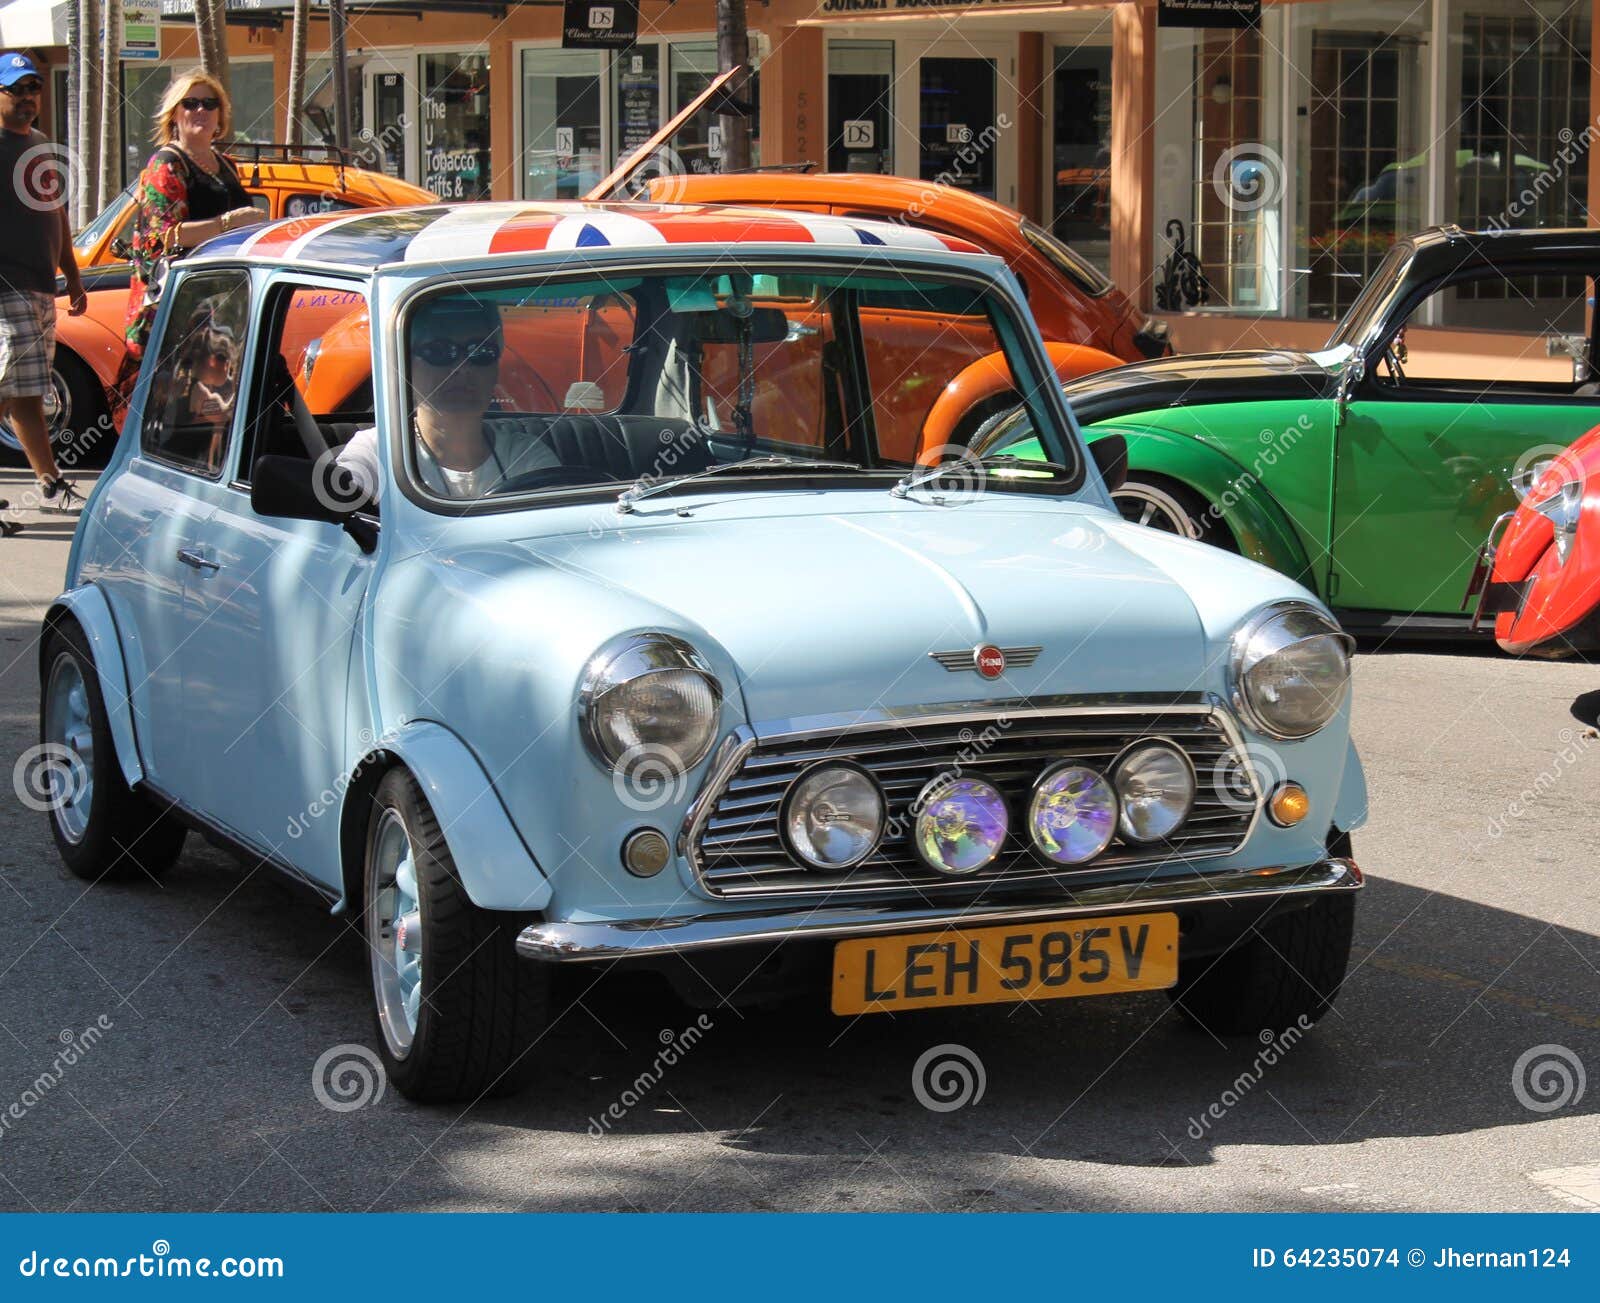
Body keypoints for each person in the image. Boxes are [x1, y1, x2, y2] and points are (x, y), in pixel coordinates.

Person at [336, 297, 559, 503]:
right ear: (405, 365)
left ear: (496, 370)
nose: (462, 368)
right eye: (439, 351)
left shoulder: (526, 456)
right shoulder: (375, 453)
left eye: (480, 352)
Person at [123, 69, 264, 360]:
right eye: (190, 103)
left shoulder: (226, 165)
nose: (201, 110)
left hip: (227, 303)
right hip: (179, 310)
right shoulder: (166, 165)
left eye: (210, 104)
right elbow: (159, 238)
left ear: (220, 115)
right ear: (174, 114)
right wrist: (227, 224)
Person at [0, 52, 88, 514]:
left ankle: (49, 484)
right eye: (16, 89)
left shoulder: (38, 144)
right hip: (4, 290)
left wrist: (72, 275)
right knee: (2, 391)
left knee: (28, 394)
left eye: (33, 88)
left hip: (38, 287)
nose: (28, 97)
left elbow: (56, 213)